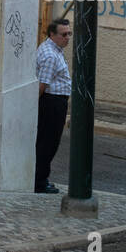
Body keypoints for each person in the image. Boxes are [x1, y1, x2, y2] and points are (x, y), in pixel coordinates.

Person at [35, 19, 72, 194]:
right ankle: (40, 181)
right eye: (63, 34)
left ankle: (40, 178)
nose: (67, 38)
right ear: (52, 34)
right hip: (52, 103)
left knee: (46, 142)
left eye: (69, 34)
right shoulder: (50, 55)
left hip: (54, 102)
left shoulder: (52, 49)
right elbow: (42, 85)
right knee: (48, 143)